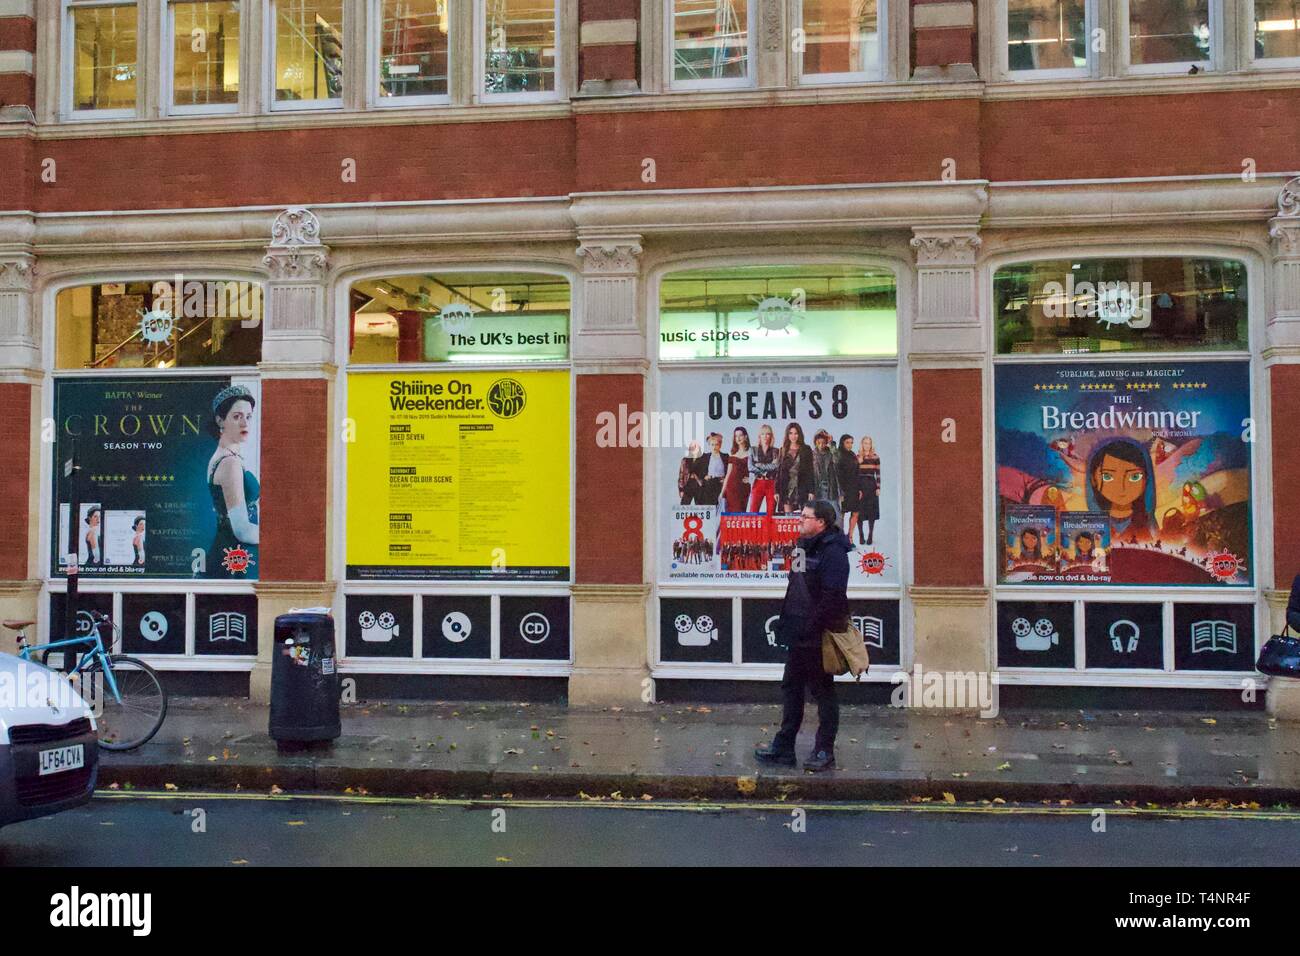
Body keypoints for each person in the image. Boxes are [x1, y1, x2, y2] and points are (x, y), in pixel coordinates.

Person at [754, 499, 852, 772]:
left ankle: (824, 751)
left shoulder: (834, 552)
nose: (800, 520)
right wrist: (787, 622)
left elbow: (833, 596)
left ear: (821, 522)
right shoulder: (801, 546)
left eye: (806, 517)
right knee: (791, 687)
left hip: (818, 634)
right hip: (797, 631)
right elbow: (794, 585)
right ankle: (784, 748)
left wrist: (812, 627)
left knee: (823, 692)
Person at [207, 384, 260, 578]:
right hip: (232, 557)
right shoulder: (229, 463)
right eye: (237, 417)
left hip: (236, 554)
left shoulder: (228, 457)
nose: (244, 423)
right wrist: (280, 538)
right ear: (221, 420)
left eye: (248, 417)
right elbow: (242, 530)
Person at [1085, 437, 1158, 545]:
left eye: (1134, 477)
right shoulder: (1088, 524)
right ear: (1093, 479)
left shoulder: (1149, 525)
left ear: (1146, 479)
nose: (1121, 487)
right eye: (1108, 476)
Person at [775, 422, 815, 514]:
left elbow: (810, 471)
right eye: (791, 433)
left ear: (799, 434)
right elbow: (779, 472)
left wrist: (811, 491)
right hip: (786, 488)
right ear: (787, 435)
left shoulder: (806, 449)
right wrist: (776, 491)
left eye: (796, 433)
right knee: (788, 517)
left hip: (802, 487)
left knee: (804, 516)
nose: (793, 436)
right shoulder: (783, 450)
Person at [855, 435, 882, 546]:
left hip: (871, 484)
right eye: (865, 443)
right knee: (859, 511)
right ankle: (861, 535)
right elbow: (854, 474)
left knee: (871, 511)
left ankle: (870, 535)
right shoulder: (857, 457)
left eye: (869, 443)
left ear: (871, 445)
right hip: (860, 485)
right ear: (862, 444)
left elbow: (878, 474)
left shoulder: (875, 457)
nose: (867, 445)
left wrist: (879, 487)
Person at [747, 424, 778, 513]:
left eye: (768, 434)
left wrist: (759, 465)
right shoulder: (753, 449)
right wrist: (767, 468)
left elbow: (776, 467)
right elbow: (750, 467)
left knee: (771, 512)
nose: (765, 436)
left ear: (771, 436)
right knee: (753, 511)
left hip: (771, 483)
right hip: (758, 482)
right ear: (759, 436)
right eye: (763, 434)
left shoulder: (776, 451)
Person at [811, 429, 840, 521]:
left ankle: (838, 534)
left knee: (836, 513)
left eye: (823, 442)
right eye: (818, 442)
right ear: (815, 442)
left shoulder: (830, 453)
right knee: (818, 515)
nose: (821, 445)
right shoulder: (812, 454)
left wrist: (832, 443)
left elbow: (837, 460)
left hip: (830, 488)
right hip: (817, 488)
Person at [721, 427, 752, 513]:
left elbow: (757, 470)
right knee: (730, 516)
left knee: (740, 514)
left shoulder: (751, 452)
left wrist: (751, 479)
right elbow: (728, 474)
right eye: (736, 436)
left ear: (745, 437)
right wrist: (722, 492)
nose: (738, 438)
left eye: (740, 435)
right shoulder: (733, 453)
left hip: (743, 488)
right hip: (731, 488)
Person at [835, 434, 859, 538]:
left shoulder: (853, 454)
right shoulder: (838, 454)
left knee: (856, 512)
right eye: (847, 442)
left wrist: (859, 489)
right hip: (843, 489)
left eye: (851, 443)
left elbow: (857, 472)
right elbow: (837, 475)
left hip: (854, 488)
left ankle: (850, 537)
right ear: (842, 443)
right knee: (842, 514)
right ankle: (841, 536)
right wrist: (840, 492)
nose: (850, 445)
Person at [700, 432, 727, 506]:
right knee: (709, 506)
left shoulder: (725, 456)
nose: (714, 447)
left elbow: (729, 471)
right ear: (709, 445)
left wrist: (725, 479)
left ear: (720, 445)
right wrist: (704, 476)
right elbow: (700, 471)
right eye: (712, 444)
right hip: (709, 484)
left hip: (721, 484)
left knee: (721, 507)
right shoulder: (705, 457)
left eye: (716, 444)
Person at [677, 440, 706, 505]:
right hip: (688, 486)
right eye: (691, 447)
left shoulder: (704, 458)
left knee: (701, 508)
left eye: (695, 447)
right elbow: (681, 476)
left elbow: (706, 473)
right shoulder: (685, 460)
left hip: (699, 486)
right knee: (683, 507)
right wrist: (681, 489)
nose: (693, 449)